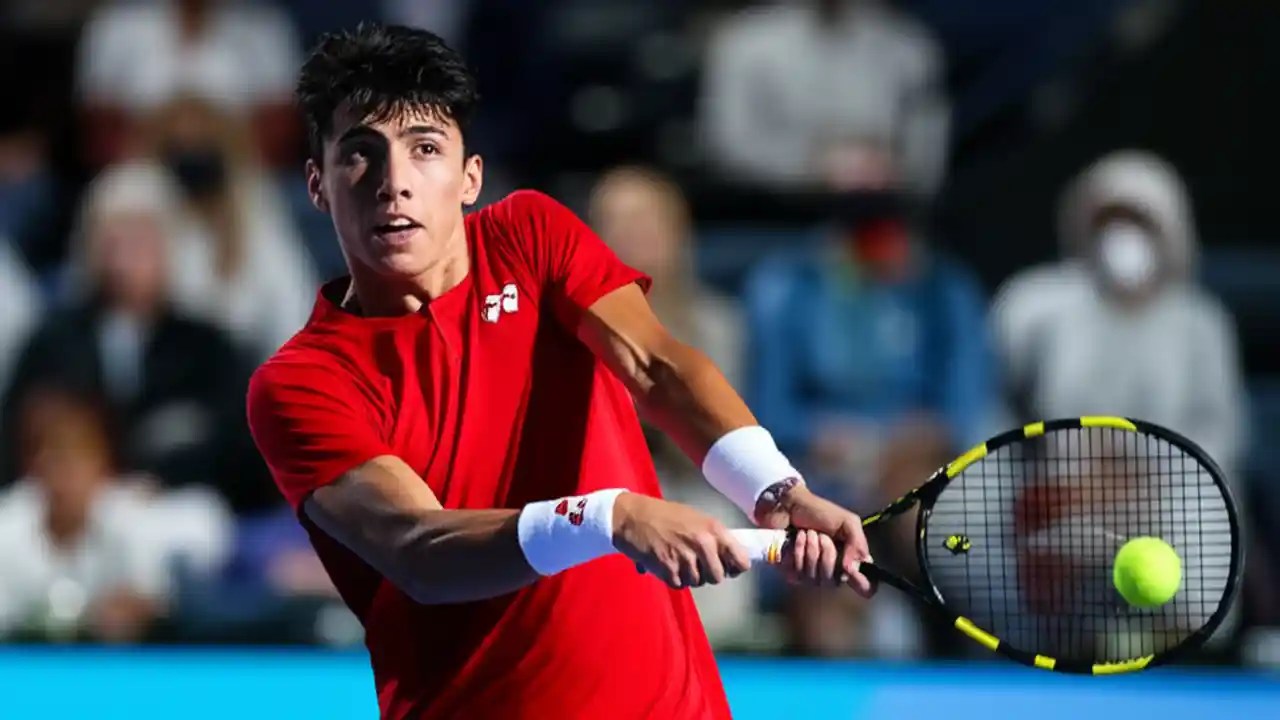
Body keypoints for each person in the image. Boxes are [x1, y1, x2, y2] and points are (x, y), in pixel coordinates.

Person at [246, 24, 875, 719]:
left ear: (470, 178)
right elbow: (419, 548)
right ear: (317, 185)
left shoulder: (529, 235)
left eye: (425, 149)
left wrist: (776, 491)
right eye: (361, 156)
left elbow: (657, 366)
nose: (395, 183)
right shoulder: (302, 382)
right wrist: (608, 516)